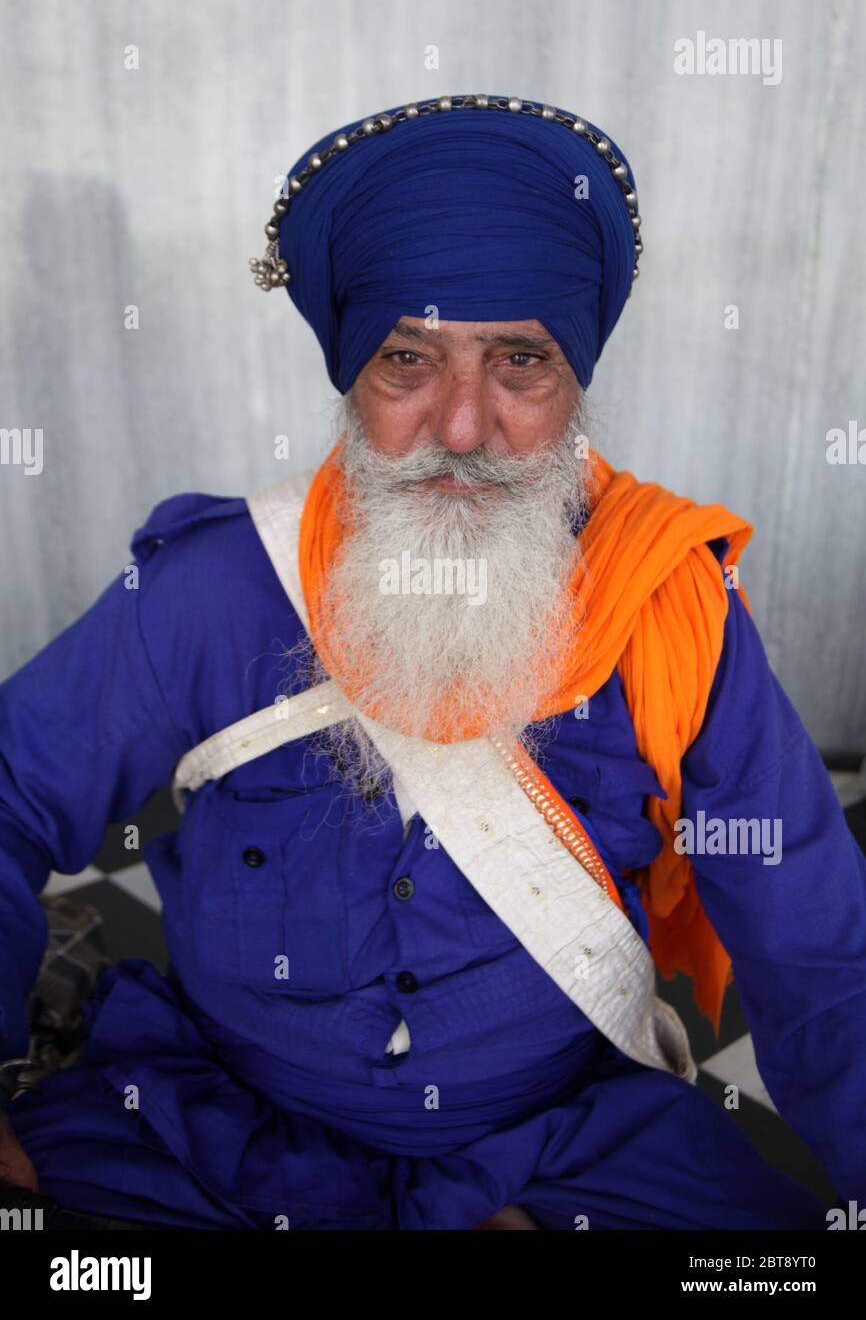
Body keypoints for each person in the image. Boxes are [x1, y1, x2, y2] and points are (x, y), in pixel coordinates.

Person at [1, 94, 863, 1231]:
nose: (463, 425)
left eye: (519, 358)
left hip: (567, 1148)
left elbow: (817, 949)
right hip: (205, 1134)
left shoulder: (671, 606)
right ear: (352, 373)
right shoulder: (211, 590)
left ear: (574, 381)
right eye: (408, 356)